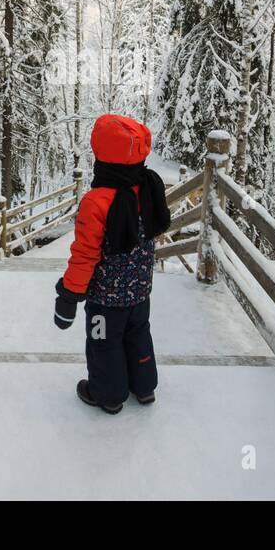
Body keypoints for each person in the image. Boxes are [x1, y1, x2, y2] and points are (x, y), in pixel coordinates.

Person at [53, 114, 171, 414]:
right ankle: (144, 388)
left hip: (105, 299)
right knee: (138, 334)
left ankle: (108, 394)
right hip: (141, 290)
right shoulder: (148, 186)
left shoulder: (97, 202)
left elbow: (85, 254)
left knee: (103, 342)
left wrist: (68, 295)